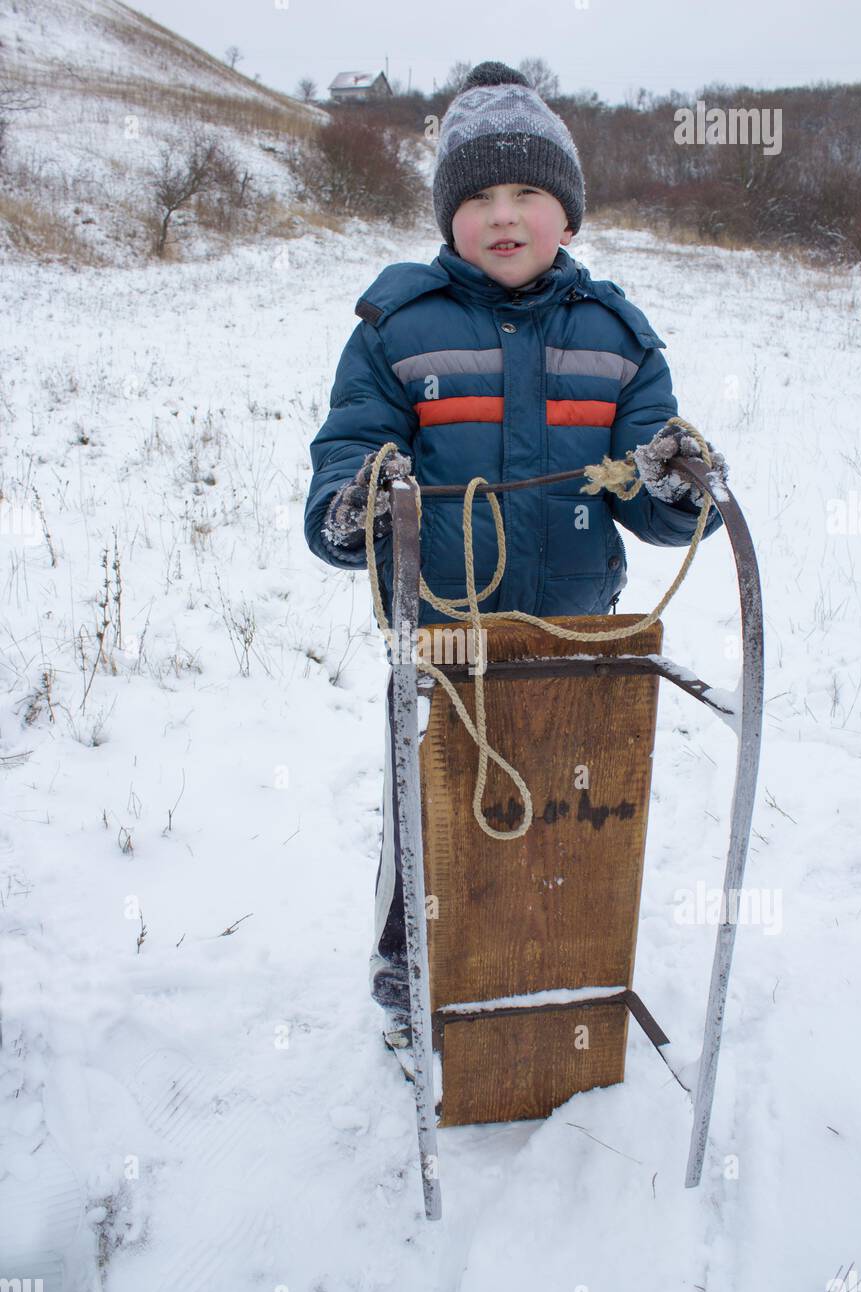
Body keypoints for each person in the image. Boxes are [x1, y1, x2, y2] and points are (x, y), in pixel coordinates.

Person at [303, 61, 728, 1052]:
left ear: (566, 215)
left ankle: (561, 962)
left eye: (527, 193)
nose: (503, 215)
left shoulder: (617, 340)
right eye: (479, 196)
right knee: (432, 809)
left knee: (568, 812)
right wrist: (353, 504)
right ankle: (408, 969)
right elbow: (344, 457)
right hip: (445, 639)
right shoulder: (397, 333)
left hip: (577, 640)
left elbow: (656, 503)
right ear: (447, 215)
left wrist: (674, 483)